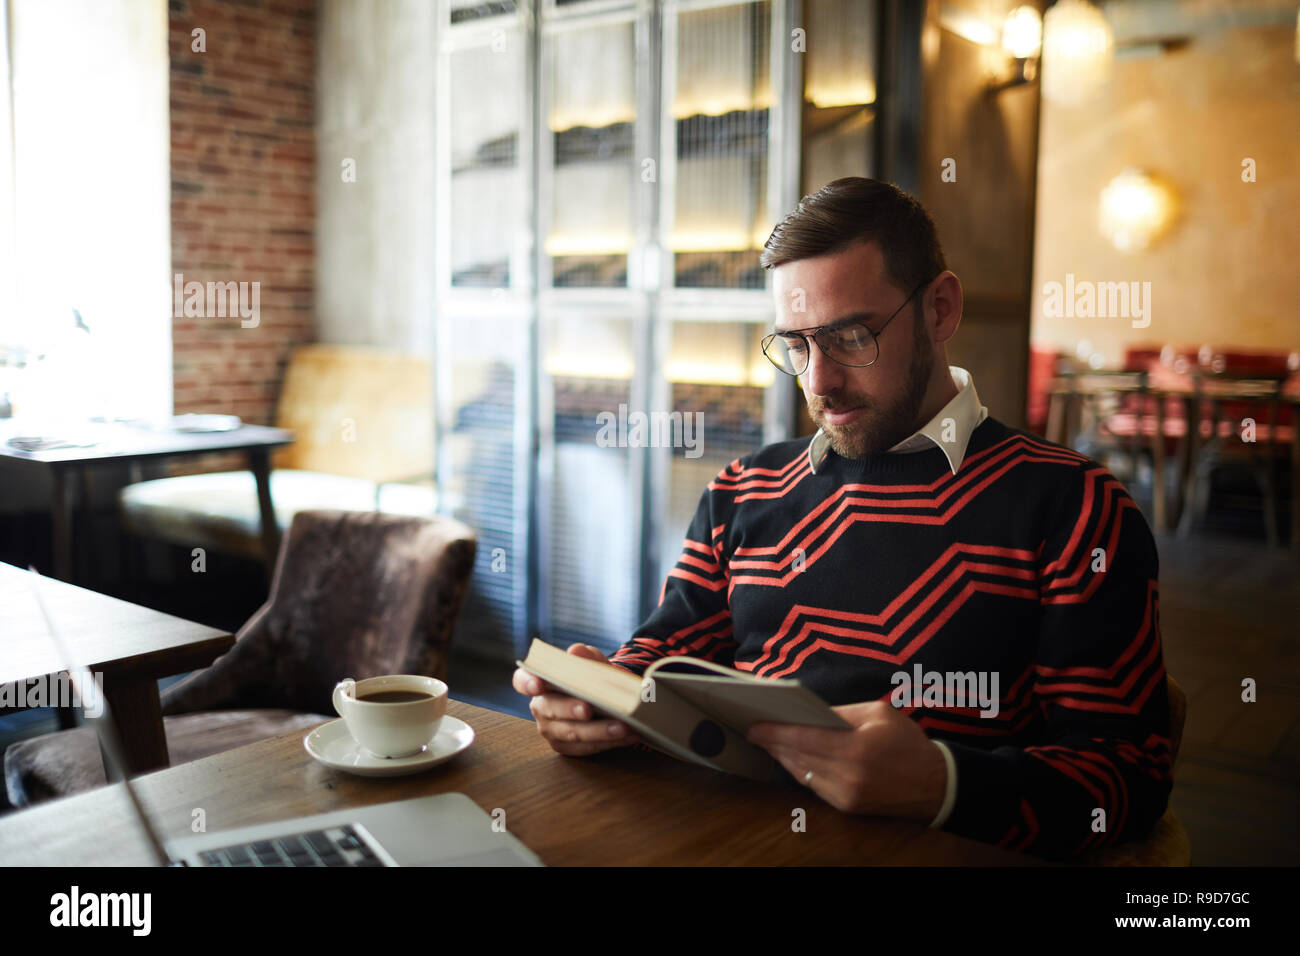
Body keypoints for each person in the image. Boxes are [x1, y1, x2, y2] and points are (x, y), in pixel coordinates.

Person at [513, 177, 1172, 860]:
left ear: (940, 309)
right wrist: (600, 701)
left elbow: (1127, 775)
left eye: (852, 335)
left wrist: (945, 784)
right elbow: (665, 653)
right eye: (795, 345)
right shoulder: (744, 488)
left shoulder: (1074, 507)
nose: (818, 381)